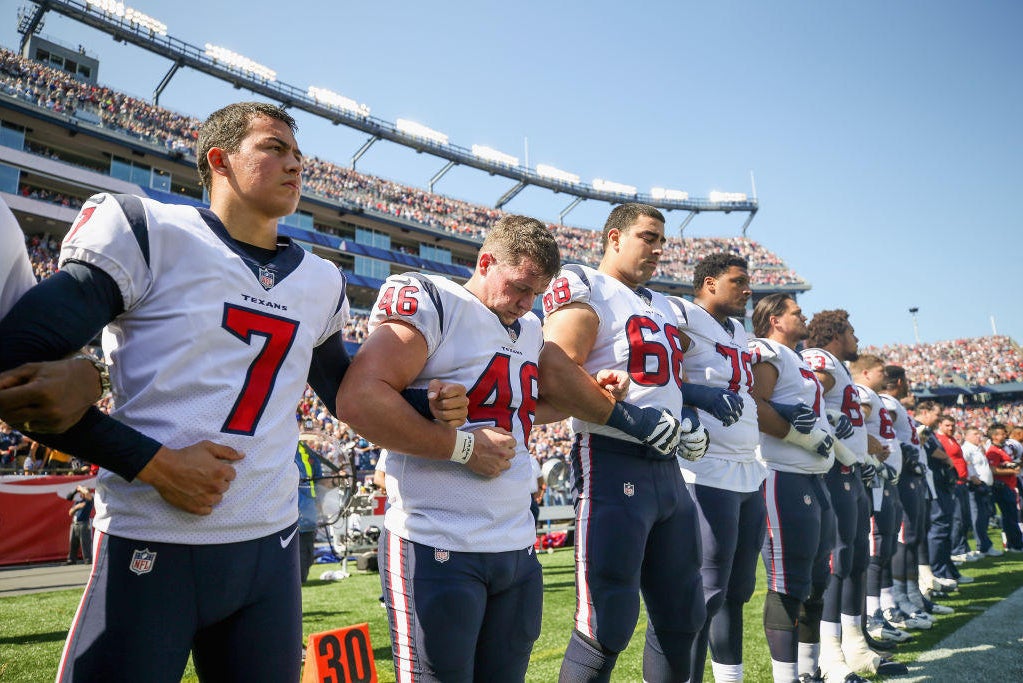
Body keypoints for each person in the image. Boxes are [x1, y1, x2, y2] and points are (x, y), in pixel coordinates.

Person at [0, 102, 464, 683]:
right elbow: (14, 371)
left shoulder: (320, 279)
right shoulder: (148, 231)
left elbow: (345, 394)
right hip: (151, 537)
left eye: (299, 154)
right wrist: (151, 462)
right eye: (275, 148)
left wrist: (425, 403)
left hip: (268, 549)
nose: (295, 163)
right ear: (219, 160)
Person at [338, 214, 632, 682]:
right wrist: (460, 448)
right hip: (437, 537)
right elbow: (359, 399)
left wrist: (595, 389)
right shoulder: (436, 301)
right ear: (485, 261)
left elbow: (521, 411)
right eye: (518, 286)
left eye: (535, 292)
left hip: (515, 545)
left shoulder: (531, 330)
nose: (525, 302)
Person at [539, 203, 709, 683]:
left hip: (667, 472)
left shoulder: (658, 304)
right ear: (614, 237)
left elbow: (663, 386)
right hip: (611, 461)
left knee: (684, 616)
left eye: (662, 240)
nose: (657, 249)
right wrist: (631, 419)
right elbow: (554, 370)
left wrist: (687, 423)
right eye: (647, 237)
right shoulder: (585, 283)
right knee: (607, 622)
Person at [666, 253, 763, 683]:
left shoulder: (738, 330)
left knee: (737, 592)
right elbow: (652, 371)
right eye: (738, 281)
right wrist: (691, 398)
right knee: (705, 591)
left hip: (748, 469)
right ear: (709, 283)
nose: (747, 290)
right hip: (705, 468)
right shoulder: (681, 314)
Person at [747, 294, 836, 683]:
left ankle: (808, 670)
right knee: (788, 583)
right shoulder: (767, 351)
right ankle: (787, 677)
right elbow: (756, 402)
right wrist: (801, 435)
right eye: (796, 312)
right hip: (782, 473)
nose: (804, 317)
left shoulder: (797, 359)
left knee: (817, 580)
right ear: (775, 320)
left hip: (813, 476)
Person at [802, 309, 890, 678]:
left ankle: (855, 642)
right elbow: (810, 391)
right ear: (836, 333)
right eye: (851, 331)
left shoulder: (838, 366)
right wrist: (832, 427)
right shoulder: (820, 359)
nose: (856, 339)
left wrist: (862, 442)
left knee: (854, 559)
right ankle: (830, 654)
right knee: (837, 562)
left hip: (851, 471)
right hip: (832, 471)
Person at [961, 427, 999, 556]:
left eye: (979, 434)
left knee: (985, 516)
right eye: (975, 434)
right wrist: (974, 480)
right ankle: (982, 546)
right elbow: (966, 466)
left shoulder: (977, 448)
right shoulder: (966, 449)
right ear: (966, 436)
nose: (978, 436)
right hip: (976, 487)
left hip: (985, 485)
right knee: (978, 517)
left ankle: (984, 544)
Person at [985, 423, 1023, 552]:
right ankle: (1015, 544)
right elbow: (993, 470)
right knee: (1010, 515)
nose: (1005, 435)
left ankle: (1013, 543)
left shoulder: (1002, 449)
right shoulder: (993, 451)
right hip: (1002, 486)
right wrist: (1012, 471)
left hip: (1009, 485)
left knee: (1010, 515)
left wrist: (1012, 465)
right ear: (994, 436)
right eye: (1002, 433)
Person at [295, 439, 324, 583]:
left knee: (307, 551)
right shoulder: (294, 451)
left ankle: (301, 577)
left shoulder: (309, 453)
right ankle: (298, 578)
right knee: (300, 550)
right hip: (298, 510)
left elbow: (319, 480)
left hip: (308, 511)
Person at [65, 484, 94, 565]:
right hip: (74, 524)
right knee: (73, 543)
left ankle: (88, 559)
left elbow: (88, 494)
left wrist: (80, 488)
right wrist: (77, 507)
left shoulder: (89, 500)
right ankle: (71, 560)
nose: (80, 494)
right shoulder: (78, 502)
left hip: (83, 524)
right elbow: (70, 513)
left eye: (82, 492)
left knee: (85, 543)